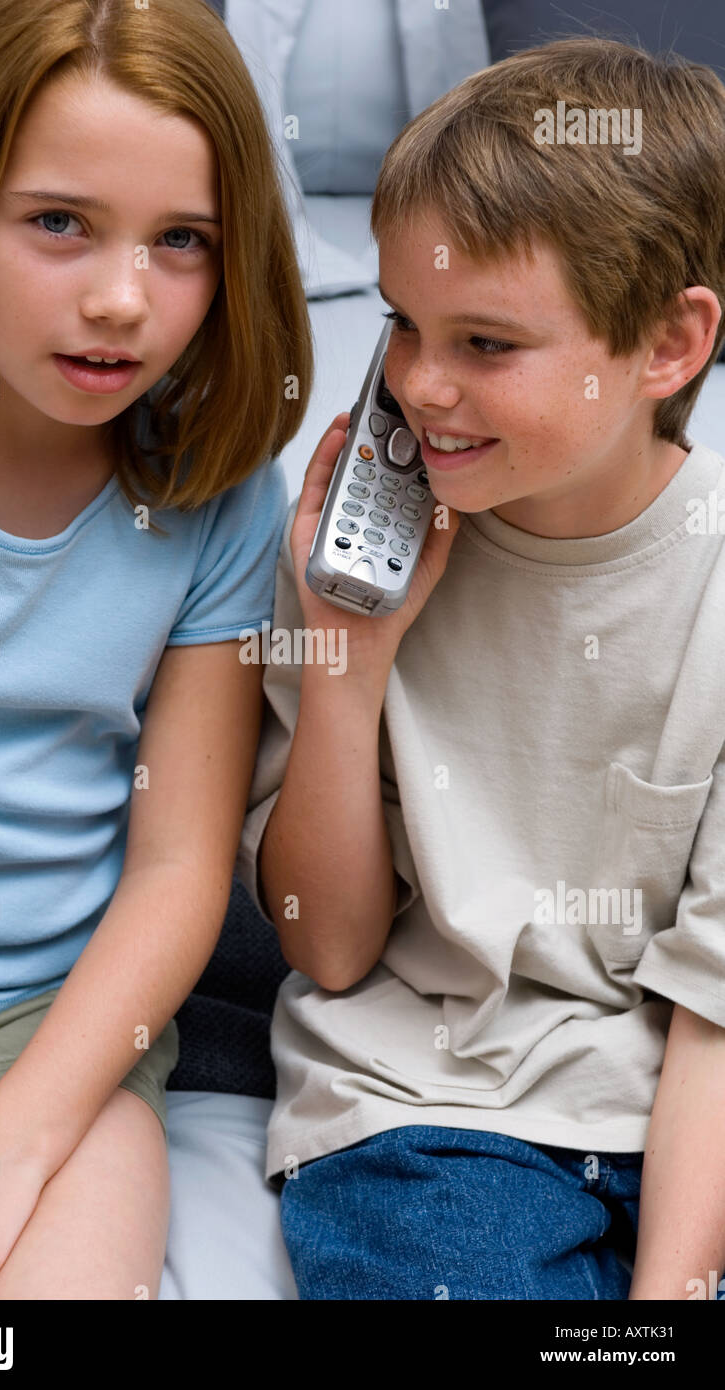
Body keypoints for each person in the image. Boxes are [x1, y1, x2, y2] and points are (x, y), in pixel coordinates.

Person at [237, 36, 725, 1300]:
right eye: (400, 323)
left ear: (667, 347)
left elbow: (713, 1020)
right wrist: (346, 668)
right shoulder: (353, 561)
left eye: (486, 344)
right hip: (428, 1098)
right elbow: (326, 950)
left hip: (687, 1088)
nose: (420, 385)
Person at [0, 0, 310, 1301]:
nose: (121, 300)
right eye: (58, 223)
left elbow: (179, 865)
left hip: (44, 1025)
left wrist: (15, 1133)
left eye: (183, 243)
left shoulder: (219, 497)